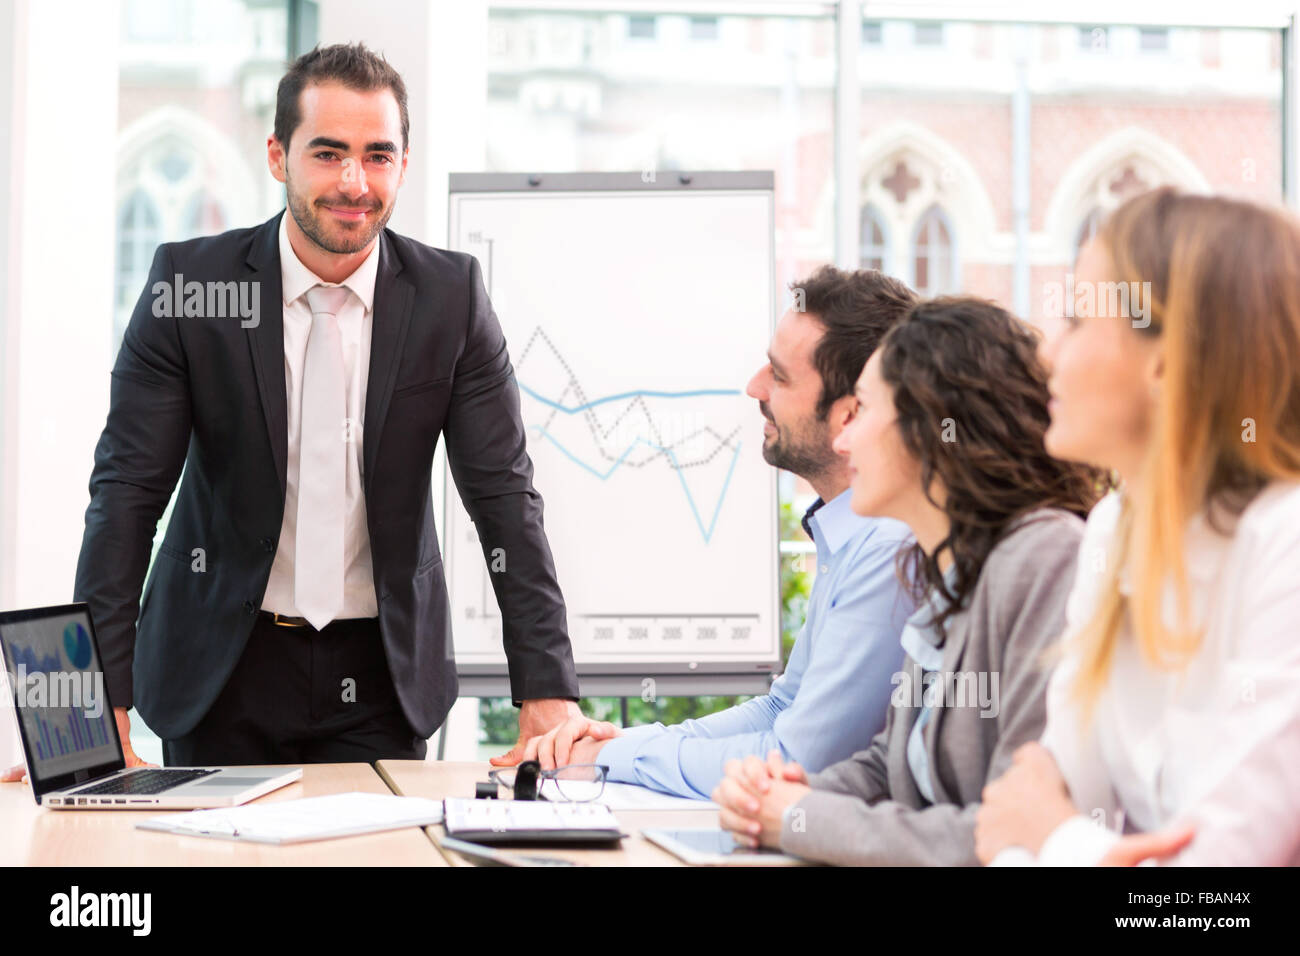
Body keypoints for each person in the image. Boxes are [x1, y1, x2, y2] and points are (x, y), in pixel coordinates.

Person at [10, 42, 581, 774]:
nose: (354, 182)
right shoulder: (188, 287)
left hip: (382, 679)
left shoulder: (452, 300)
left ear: (404, 165)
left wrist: (549, 689)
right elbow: (123, 498)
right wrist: (77, 715)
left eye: (378, 155)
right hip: (220, 668)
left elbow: (505, 500)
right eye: (328, 153)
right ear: (279, 156)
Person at [713, 295, 1105, 865]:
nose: (843, 440)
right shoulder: (944, 567)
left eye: (864, 412)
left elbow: (1005, 834)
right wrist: (777, 797)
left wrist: (800, 818)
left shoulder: (1043, 559)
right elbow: (893, 765)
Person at [975, 187, 1300, 866]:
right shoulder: (1116, 528)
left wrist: (1063, 842)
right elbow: (1013, 824)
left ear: (1167, 360)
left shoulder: (1287, 542)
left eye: (1076, 319)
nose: (1046, 355)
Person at [511, 266, 918, 799]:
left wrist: (610, 757)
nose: (754, 386)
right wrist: (623, 744)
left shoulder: (887, 548)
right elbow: (782, 707)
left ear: (849, 416)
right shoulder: (851, 531)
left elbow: (795, 758)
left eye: (780, 375)